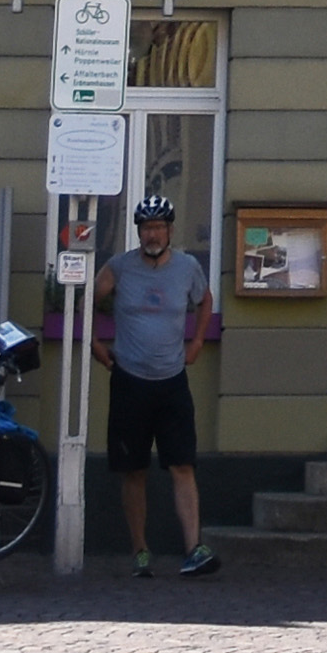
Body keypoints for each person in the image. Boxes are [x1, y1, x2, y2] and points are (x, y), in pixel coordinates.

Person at [94, 196, 216, 577]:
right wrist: (97, 347)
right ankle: (140, 551)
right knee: (134, 470)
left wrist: (196, 342)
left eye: (160, 227)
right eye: (147, 227)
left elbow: (205, 300)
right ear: (138, 231)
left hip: (171, 381)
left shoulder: (187, 267)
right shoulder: (119, 267)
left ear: (170, 230)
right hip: (130, 380)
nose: (153, 234)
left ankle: (193, 548)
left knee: (182, 465)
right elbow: (83, 304)